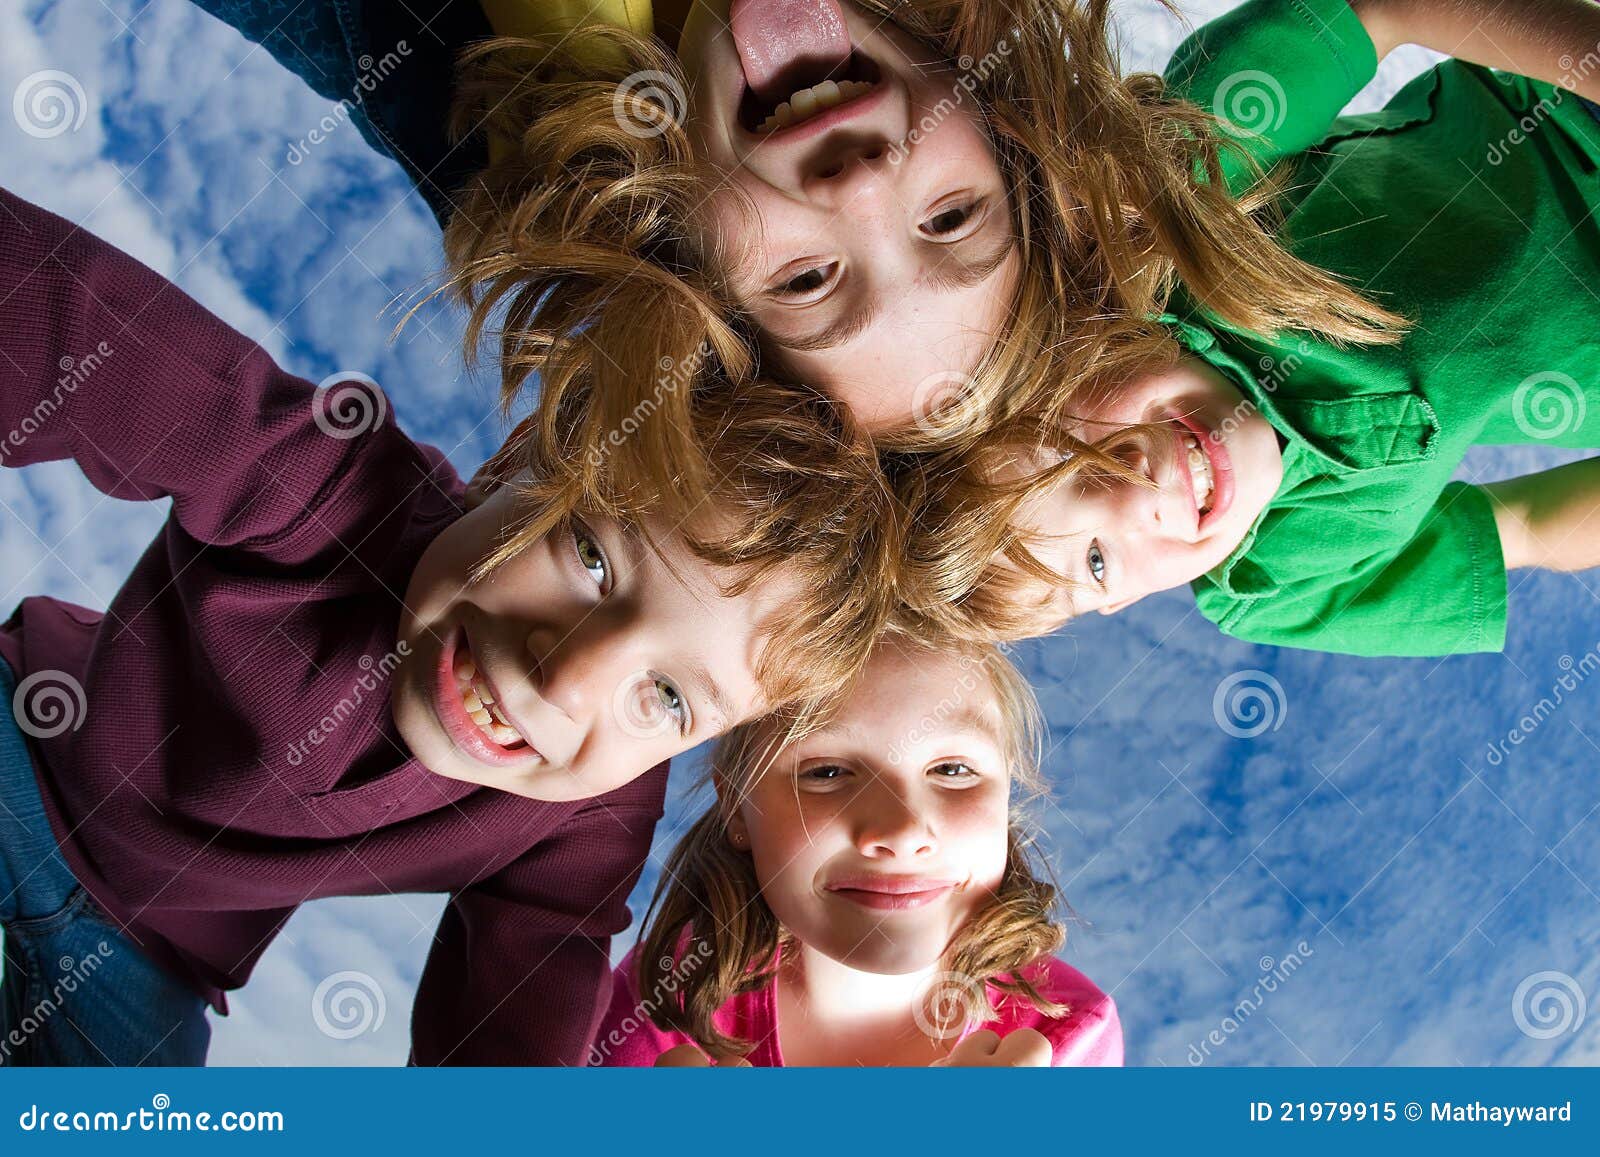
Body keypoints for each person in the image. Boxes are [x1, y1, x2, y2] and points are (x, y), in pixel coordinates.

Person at [0, 184, 904, 1065]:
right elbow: (71, 326)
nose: (564, 676)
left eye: (666, 696)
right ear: (517, 461)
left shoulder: (589, 818)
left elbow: (510, 1038)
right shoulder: (327, 489)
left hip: (144, 964)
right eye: (591, 559)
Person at [927, 0, 1600, 657]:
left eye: (1067, 446)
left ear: (1062, 349)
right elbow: (1533, 529)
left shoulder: (1173, 203)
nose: (1136, 495)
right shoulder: (1276, 587)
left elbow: (1388, 8)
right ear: (1119, 601)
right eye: (1097, 561)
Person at [591, 636, 1121, 1067]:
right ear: (737, 808)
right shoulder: (667, 1001)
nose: (901, 830)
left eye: (952, 770)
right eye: (826, 773)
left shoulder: (1068, 1039)